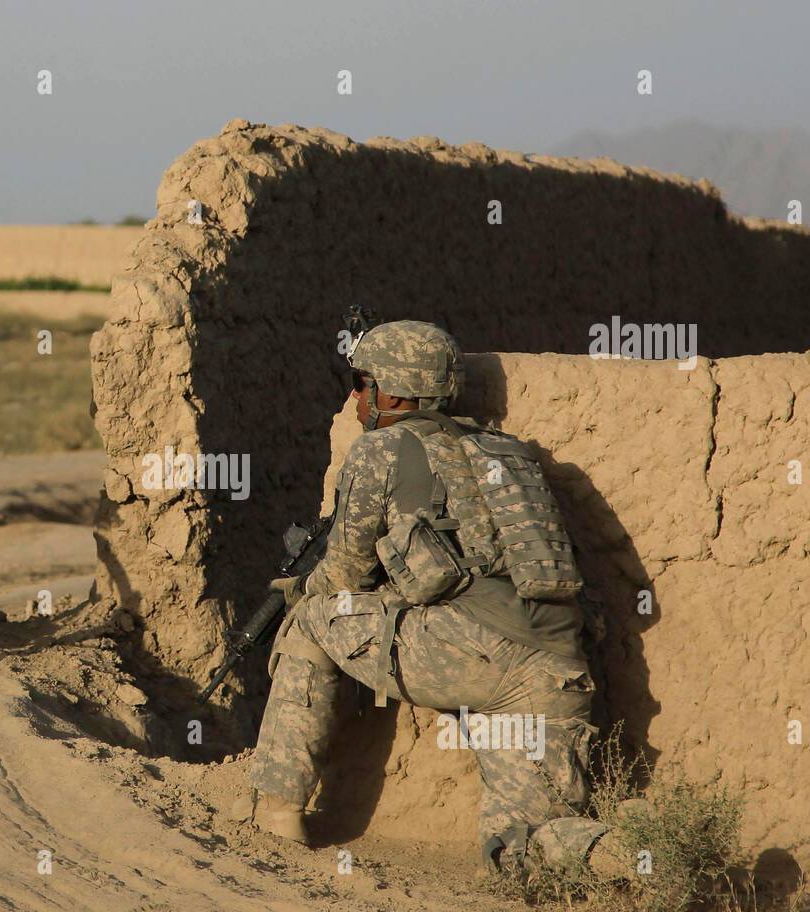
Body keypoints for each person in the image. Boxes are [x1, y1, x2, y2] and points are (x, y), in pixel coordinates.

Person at [243, 320, 608, 873]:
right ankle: (636, 856)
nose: (357, 397)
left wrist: (296, 589)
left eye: (363, 383)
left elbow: (342, 574)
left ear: (391, 392)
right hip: (553, 672)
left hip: (464, 653)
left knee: (314, 613)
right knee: (519, 849)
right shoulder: (509, 455)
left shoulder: (380, 449)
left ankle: (276, 813)